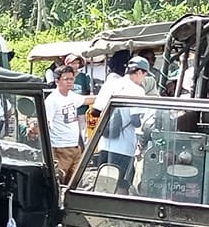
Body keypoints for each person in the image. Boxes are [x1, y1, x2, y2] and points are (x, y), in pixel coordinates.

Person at [95, 56, 152, 192]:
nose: (144, 78)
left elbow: (96, 111)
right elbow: (136, 120)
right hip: (124, 147)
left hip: (104, 143)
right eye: (144, 74)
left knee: (103, 185)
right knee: (121, 187)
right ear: (139, 72)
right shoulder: (137, 90)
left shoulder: (110, 84)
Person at [43, 65, 97, 183]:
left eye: (71, 79)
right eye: (66, 79)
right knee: (59, 181)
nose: (69, 82)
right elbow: (45, 123)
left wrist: (105, 97)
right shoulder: (52, 100)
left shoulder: (72, 96)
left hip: (75, 147)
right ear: (57, 81)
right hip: (60, 148)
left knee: (74, 182)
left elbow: (86, 100)